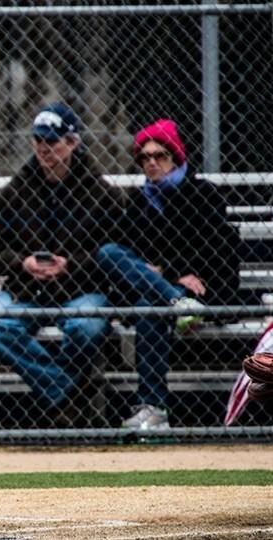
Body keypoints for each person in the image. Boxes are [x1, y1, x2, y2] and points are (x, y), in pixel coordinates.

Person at [0, 103, 126, 428]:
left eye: (52, 142)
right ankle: (67, 392)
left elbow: (115, 253)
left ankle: (62, 397)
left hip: (80, 289)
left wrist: (71, 265)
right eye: (38, 141)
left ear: (72, 143)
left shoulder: (102, 193)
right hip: (26, 289)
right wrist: (23, 262)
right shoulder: (18, 190)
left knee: (84, 327)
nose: (43, 149)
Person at [96, 118, 241, 430]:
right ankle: (175, 302)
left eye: (159, 156)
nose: (151, 163)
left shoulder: (203, 194)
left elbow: (212, 249)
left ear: (175, 157)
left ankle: (155, 406)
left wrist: (167, 270)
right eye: (145, 157)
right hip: (169, 293)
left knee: (148, 303)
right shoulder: (138, 201)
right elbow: (130, 255)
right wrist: (173, 276)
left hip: (201, 291)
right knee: (109, 254)